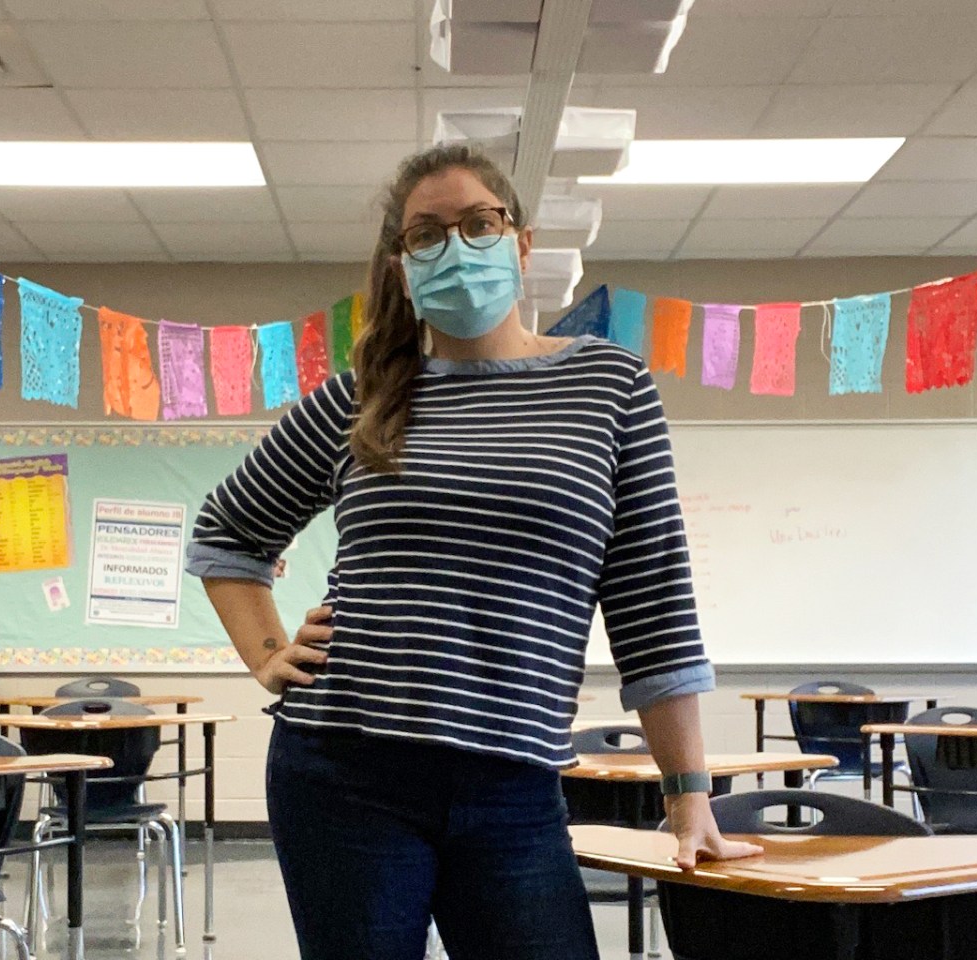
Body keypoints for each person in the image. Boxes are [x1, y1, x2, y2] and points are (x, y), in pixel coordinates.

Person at [185, 142, 760, 960]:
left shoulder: (610, 388)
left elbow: (653, 607)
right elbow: (226, 533)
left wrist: (689, 796)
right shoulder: (363, 395)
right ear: (403, 262)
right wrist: (269, 654)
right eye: (427, 234)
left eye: (478, 223)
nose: (456, 246)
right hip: (344, 767)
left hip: (512, 782)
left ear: (520, 243)